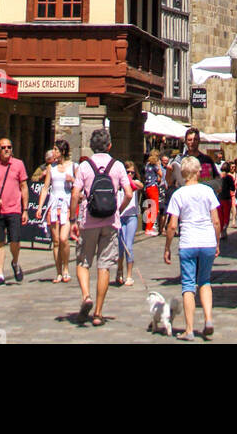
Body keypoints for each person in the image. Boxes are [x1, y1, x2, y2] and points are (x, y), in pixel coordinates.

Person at [69, 126, 132, 327]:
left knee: (83, 262)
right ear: (110, 145)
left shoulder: (85, 167)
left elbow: (74, 195)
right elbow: (129, 194)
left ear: (91, 146)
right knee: (104, 266)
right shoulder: (118, 165)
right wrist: (118, 211)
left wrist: (72, 220)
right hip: (110, 221)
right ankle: (98, 312)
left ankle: (86, 295)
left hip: (88, 220)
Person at [164, 154, 221, 340]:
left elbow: (172, 225)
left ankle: (189, 330)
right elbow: (216, 221)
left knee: (188, 285)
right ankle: (209, 319)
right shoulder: (207, 191)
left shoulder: (178, 194)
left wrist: (167, 247)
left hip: (188, 242)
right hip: (207, 242)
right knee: (204, 281)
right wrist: (218, 242)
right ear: (198, 172)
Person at [0, 137, 29, 285]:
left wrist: (25, 209)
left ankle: (15, 263)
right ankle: (0, 274)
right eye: (3, 147)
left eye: (9, 147)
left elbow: (24, 187)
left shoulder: (18, 164)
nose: (7, 149)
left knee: (15, 241)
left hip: (14, 208)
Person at [36, 139, 76, 282]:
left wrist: (72, 179)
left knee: (64, 238)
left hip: (66, 204)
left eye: (56, 150)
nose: (53, 152)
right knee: (56, 241)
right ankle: (59, 272)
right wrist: (40, 206)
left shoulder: (72, 166)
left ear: (62, 152)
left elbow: (79, 185)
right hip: (53, 205)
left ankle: (66, 267)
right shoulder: (50, 168)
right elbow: (46, 187)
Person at [167, 127, 220, 191]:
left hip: (203, 196)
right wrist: (168, 172)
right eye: (190, 140)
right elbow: (169, 182)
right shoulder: (179, 160)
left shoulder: (207, 160)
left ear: (199, 141)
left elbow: (216, 179)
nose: (192, 142)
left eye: (195, 139)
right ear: (185, 141)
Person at [116, 159, 142, 286]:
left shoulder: (134, 183)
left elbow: (140, 186)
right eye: (127, 172)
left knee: (129, 246)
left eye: (132, 172)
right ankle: (119, 270)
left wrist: (128, 179)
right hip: (120, 217)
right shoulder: (118, 184)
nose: (130, 174)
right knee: (120, 247)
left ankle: (129, 275)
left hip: (131, 216)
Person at [144, 148, 163, 234]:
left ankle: (148, 227)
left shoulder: (147, 165)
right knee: (154, 208)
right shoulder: (155, 165)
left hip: (147, 187)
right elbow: (161, 174)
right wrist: (159, 166)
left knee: (149, 207)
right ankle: (149, 228)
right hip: (153, 187)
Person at [218, 162, 236, 236]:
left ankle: (221, 230)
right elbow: (233, 188)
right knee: (226, 215)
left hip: (219, 198)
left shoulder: (218, 176)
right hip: (226, 198)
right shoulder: (229, 177)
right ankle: (224, 229)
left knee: (220, 216)